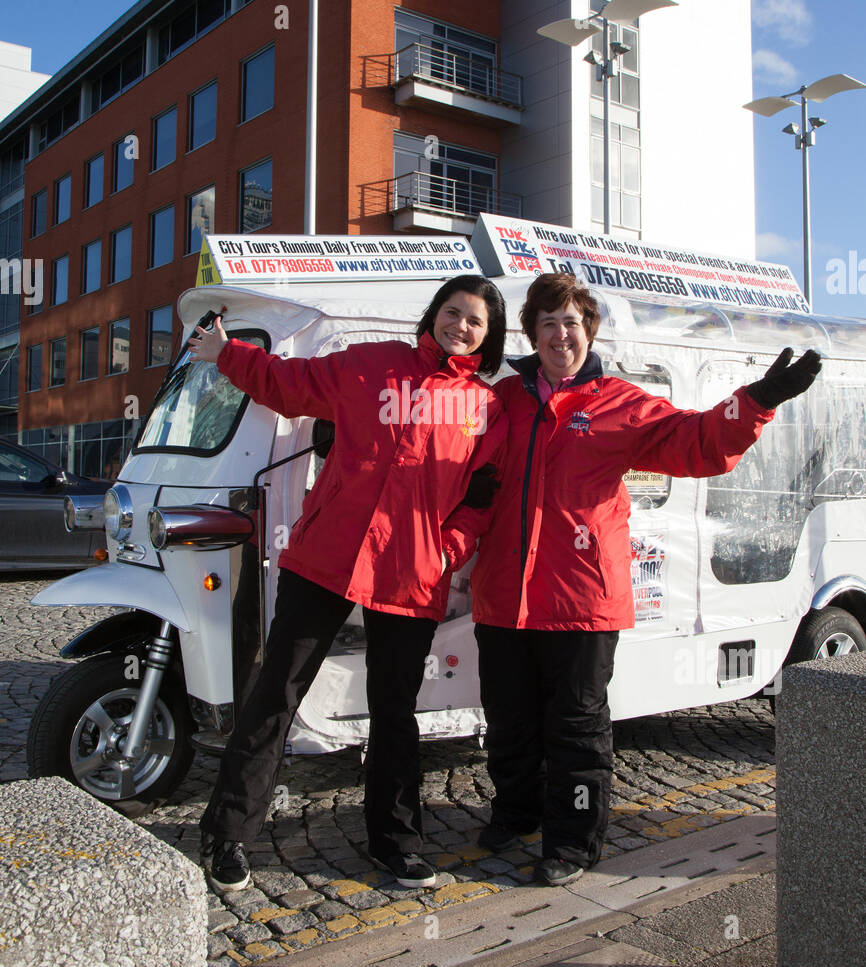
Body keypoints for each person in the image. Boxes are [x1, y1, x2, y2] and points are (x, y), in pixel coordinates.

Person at [442, 271, 821, 886]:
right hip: (503, 600)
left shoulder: (619, 402)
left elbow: (696, 442)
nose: (560, 333)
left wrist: (757, 400)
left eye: (571, 322)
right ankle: (517, 811)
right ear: (532, 334)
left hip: (582, 601)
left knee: (576, 726)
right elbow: (450, 450)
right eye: (547, 323)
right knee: (508, 719)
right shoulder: (503, 401)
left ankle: (571, 841)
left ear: (588, 330)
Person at [187, 275, 507, 893]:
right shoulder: (371, 365)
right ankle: (226, 834)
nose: (460, 325)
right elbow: (293, 386)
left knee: (394, 712)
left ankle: (396, 844)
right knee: (276, 691)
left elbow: (482, 498)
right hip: (327, 556)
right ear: (434, 314)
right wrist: (228, 352)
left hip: (411, 575)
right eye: (452, 311)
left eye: (474, 320)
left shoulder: (484, 407)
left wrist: (447, 550)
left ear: (487, 337)